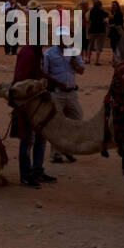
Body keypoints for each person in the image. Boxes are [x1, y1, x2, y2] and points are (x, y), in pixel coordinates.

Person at [12, 42, 53, 187]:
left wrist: (54, 82)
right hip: (27, 102)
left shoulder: (36, 52)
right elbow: (22, 81)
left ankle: (37, 170)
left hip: (37, 101)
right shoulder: (28, 53)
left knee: (41, 137)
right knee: (28, 139)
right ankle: (26, 175)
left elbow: (38, 73)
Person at [43, 34, 85, 164]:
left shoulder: (72, 52)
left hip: (71, 93)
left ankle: (68, 149)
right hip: (57, 93)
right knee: (57, 123)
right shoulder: (49, 54)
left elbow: (81, 70)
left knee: (77, 119)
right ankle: (56, 154)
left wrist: (74, 63)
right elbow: (44, 73)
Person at [87, 0, 109, 65]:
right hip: (101, 30)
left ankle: (88, 60)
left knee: (90, 45)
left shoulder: (91, 11)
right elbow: (109, 16)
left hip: (92, 30)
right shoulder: (101, 11)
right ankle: (97, 61)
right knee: (99, 46)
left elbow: (89, 20)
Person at [107, 1, 124, 65]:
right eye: (112, 5)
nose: (113, 6)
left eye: (114, 5)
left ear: (117, 6)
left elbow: (119, 23)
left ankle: (116, 59)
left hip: (118, 32)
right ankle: (114, 59)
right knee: (113, 46)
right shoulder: (111, 13)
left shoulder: (119, 13)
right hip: (112, 32)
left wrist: (111, 25)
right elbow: (110, 22)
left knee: (117, 45)